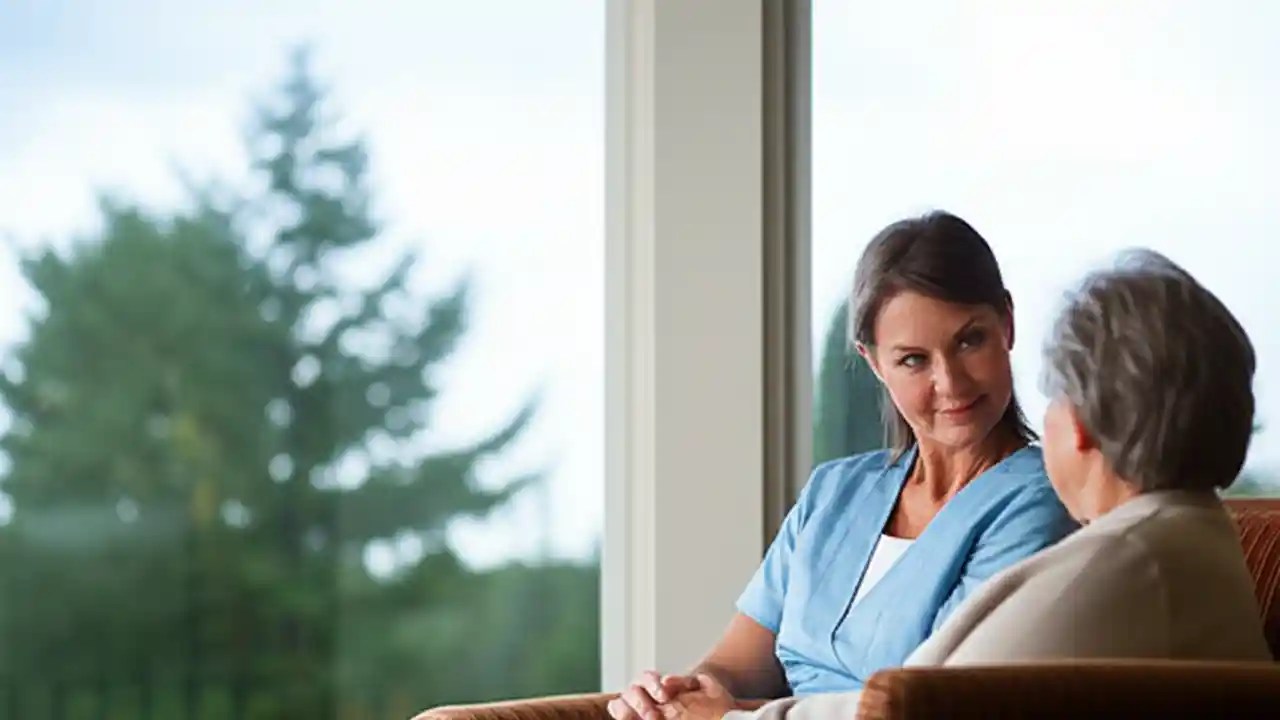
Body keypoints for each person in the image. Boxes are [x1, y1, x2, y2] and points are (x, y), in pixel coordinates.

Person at [665, 249, 1271, 720]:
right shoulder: (1182, 544)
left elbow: (920, 705)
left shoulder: (1115, 564)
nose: (950, 383)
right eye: (912, 359)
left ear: (1079, 426)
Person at [609, 212, 1076, 720]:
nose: (951, 382)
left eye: (969, 341)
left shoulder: (1044, 499)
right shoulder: (833, 494)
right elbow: (733, 667)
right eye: (914, 360)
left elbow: (934, 701)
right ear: (874, 363)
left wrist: (734, 718)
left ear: (1006, 323)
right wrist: (675, 698)